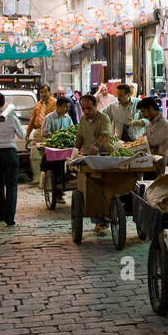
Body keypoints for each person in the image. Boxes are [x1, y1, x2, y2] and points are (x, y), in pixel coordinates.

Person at [74, 94, 116, 235]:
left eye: (89, 108)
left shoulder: (103, 118)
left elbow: (105, 134)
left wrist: (97, 145)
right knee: (92, 189)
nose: (86, 111)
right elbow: (79, 137)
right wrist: (73, 151)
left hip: (106, 157)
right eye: (83, 108)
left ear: (96, 105)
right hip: (89, 160)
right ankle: (98, 220)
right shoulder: (83, 120)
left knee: (107, 187)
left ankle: (108, 216)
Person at [0, 90, 25, 226]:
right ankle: (10, 217)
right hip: (10, 153)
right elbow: (21, 136)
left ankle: (0, 214)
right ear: (3, 103)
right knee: (12, 186)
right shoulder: (11, 117)